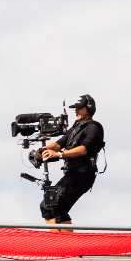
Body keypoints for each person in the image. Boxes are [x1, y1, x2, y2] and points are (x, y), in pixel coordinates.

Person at [38, 94, 105, 226]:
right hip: (72, 174)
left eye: (79, 108)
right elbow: (58, 144)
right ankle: (60, 242)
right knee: (48, 206)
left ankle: (65, 243)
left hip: (83, 174)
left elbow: (83, 149)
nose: (76, 111)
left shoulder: (94, 127)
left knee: (53, 204)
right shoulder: (76, 127)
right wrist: (41, 151)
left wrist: (60, 155)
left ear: (88, 108)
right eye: (76, 108)